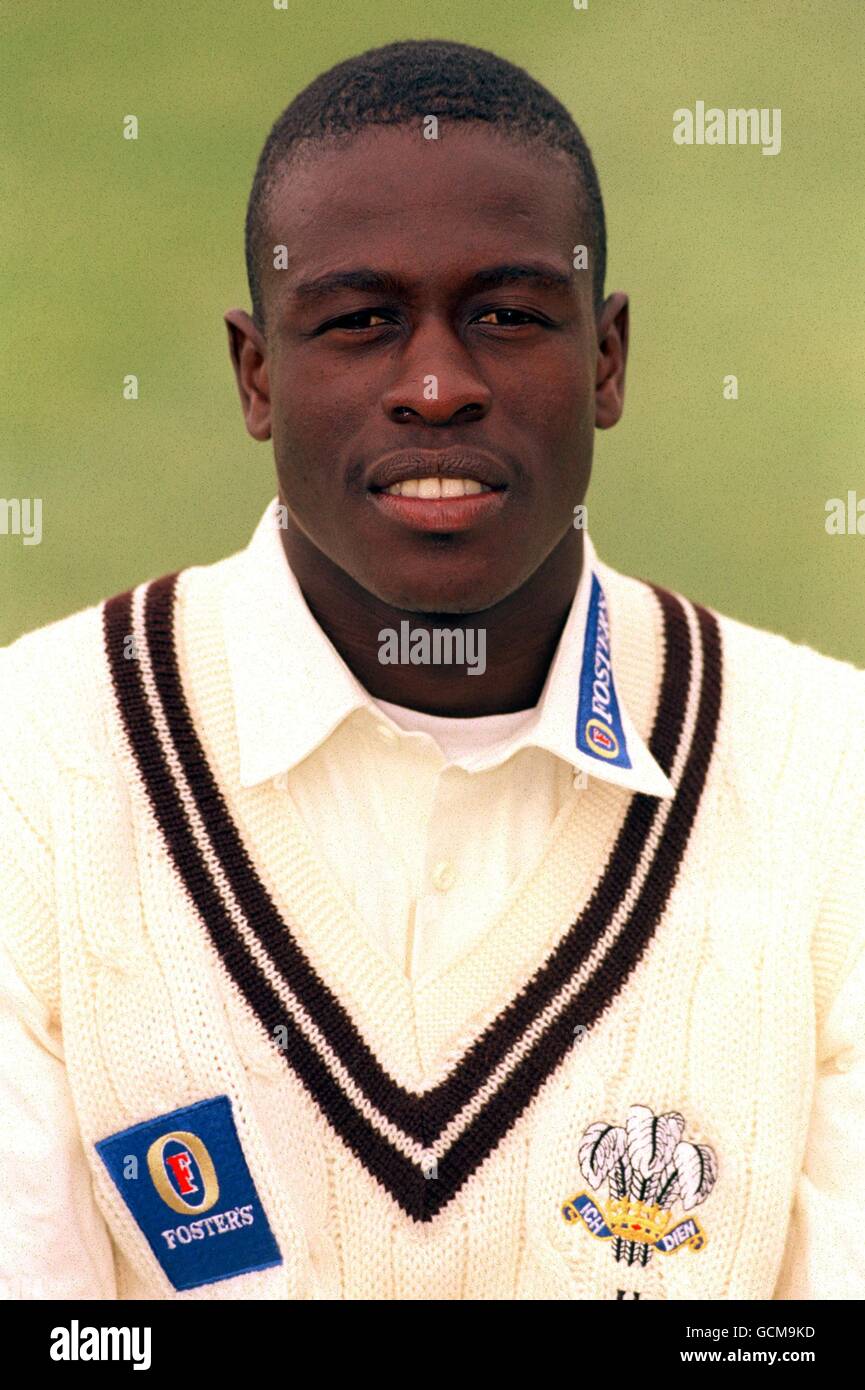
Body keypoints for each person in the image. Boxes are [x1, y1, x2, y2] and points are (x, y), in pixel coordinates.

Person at [1, 39, 863, 1302]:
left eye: (508, 317)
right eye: (358, 323)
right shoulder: (35, 767)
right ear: (257, 375)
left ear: (608, 359)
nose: (435, 386)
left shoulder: (830, 779)